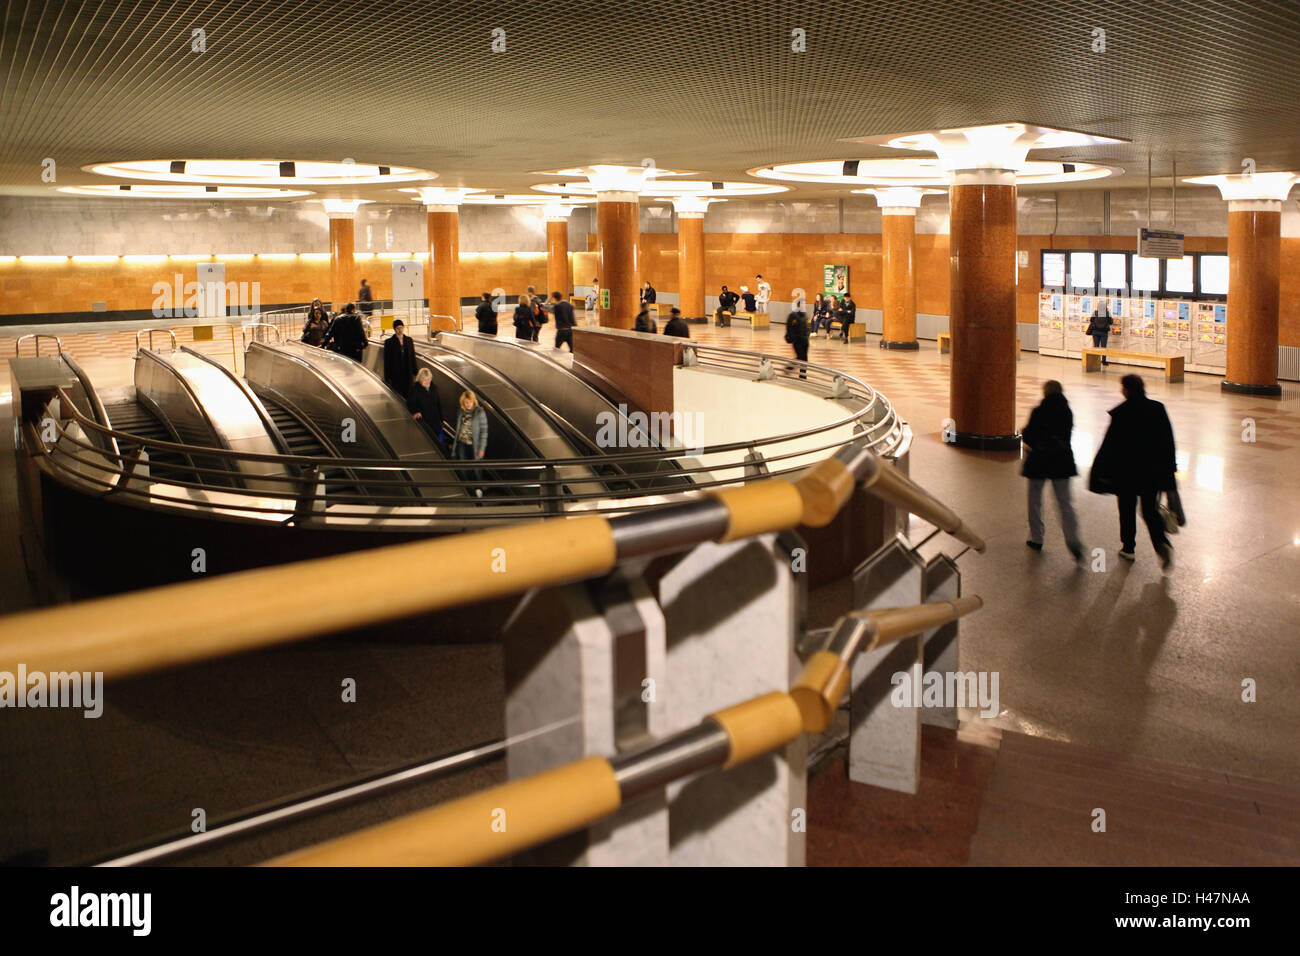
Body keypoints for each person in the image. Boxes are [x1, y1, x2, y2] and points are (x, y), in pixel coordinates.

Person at [1088, 374, 1177, 570]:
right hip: (1151, 472)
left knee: (1127, 509)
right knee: (1149, 510)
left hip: (1126, 472)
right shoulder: (1157, 409)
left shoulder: (1122, 413)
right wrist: (1169, 471)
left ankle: (1128, 548)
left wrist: (1098, 471)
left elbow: (1109, 445)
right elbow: (1168, 443)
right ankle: (1161, 543)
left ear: (1126, 390)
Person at [1021, 380, 1084, 562]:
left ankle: (1036, 537)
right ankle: (1073, 540)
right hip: (1061, 461)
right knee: (1065, 502)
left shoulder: (1039, 411)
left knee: (1034, 499)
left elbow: (1029, 434)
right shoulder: (1067, 412)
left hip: (1038, 460)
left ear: (1045, 392)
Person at [452, 389, 488, 498]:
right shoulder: (460, 411)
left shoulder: (480, 412)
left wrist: (482, 448)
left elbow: (484, 432)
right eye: (466, 402)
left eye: (470, 402)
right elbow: (458, 429)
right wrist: (454, 447)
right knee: (462, 465)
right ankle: (467, 486)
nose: (468, 404)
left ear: (474, 401)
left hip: (474, 445)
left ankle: (478, 488)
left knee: (476, 467)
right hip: (462, 443)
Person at [407, 367, 445, 449]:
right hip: (424, 422)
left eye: (429, 379)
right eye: (425, 379)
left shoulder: (434, 388)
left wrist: (441, 420)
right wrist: (415, 411)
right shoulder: (415, 390)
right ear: (420, 379)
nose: (427, 381)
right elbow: (410, 404)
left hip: (435, 421)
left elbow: (438, 405)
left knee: (438, 443)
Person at [382, 319, 417, 398]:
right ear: (394, 329)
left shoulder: (409, 340)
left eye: (401, 328)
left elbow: (412, 356)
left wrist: (415, 371)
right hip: (396, 373)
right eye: (398, 328)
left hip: (407, 371)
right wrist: (387, 376)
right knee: (398, 394)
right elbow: (387, 360)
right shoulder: (389, 342)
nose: (400, 330)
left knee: (408, 393)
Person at [784, 308, 810, 378]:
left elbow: (807, 327)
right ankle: (790, 368)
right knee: (801, 357)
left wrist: (807, 335)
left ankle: (802, 375)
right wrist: (791, 337)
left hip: (804, 340)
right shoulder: (793, 316)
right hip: (797, 340)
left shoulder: (804, 315)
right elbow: (789, 327)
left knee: (804, 358)